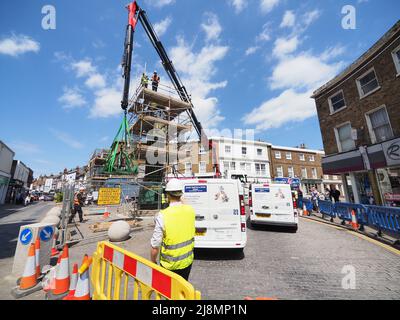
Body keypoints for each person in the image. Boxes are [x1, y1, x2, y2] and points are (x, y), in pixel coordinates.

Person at [150, 179, 195, 281]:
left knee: (169, 294)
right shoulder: (190, 211)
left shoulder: (163, 215)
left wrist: (153, 261)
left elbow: (155, 246)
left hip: (169, 265)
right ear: (181, 194)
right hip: (187, 262)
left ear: (168, 195)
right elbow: (184, 204)